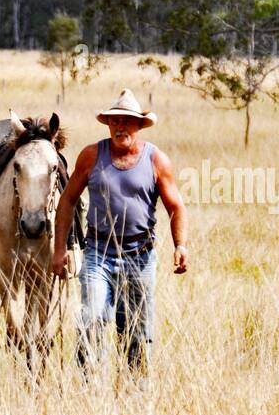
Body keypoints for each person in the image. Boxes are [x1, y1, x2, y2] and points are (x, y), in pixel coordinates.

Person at [51, 89, 188, 373]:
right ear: (108, 125)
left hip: (140, 256)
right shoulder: (91, 156)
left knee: (136, 329)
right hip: (98, 252)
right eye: (115, 121)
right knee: (92, 318)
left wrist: (180, 245)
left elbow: (176, 206)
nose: (120, 126)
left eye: (127, 121)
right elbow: (67, 201)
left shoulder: (156, 160)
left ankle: (136, 393)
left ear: (139, 125)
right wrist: (59, 250)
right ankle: (92, 391)